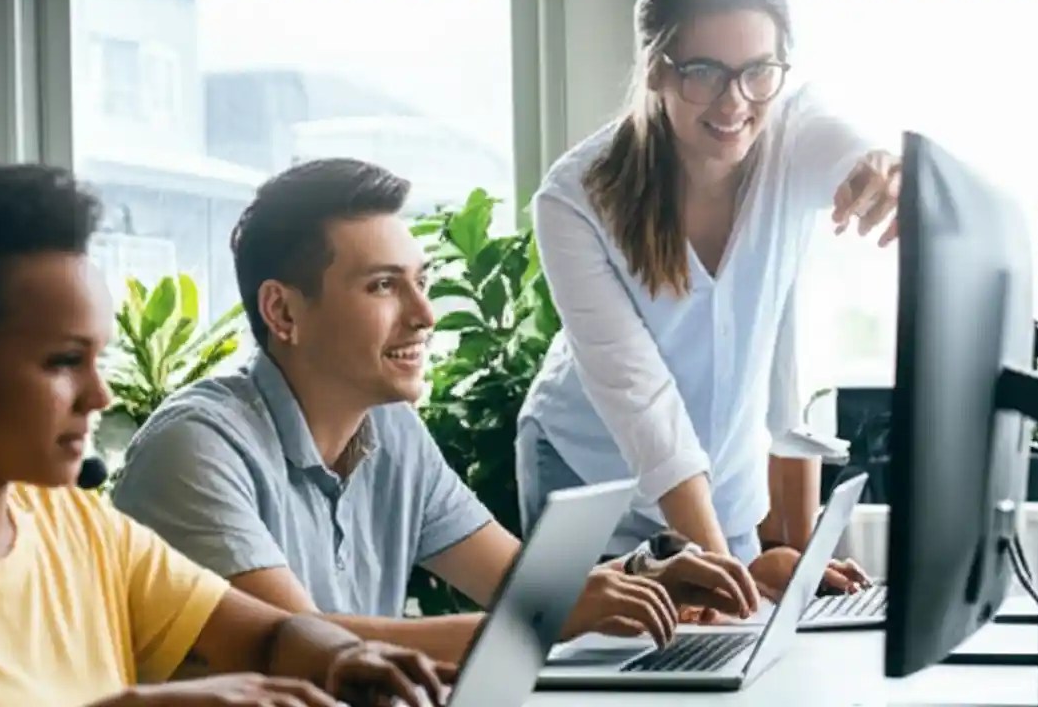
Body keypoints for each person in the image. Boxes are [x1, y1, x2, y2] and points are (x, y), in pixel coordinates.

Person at [112, 158, 762, 665]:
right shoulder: (195, 449)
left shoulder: (389, 429)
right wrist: (541, 617)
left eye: (420, 280)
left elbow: (517, 583)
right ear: (283, 312)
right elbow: (299, 650)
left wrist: (648, 576)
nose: (424, 314)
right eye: (382, 285)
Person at [0, 162, 452, 707]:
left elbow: (270, 634)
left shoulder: (83, 529)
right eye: (64, 361)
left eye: (99, 358)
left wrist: (342, 656)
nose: (100, 396)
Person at [516, 0, 894, 594]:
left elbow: (839, 143)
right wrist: (730, 580)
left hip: (722, 483)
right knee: (612, 665)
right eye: (704, 72)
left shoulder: (792, 135)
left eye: (757, 72)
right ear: (655, 69)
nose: (734, 100)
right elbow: (642, 402)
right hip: (591, 468)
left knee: (728, 650)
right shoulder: (575, 199)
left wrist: (876, 167)